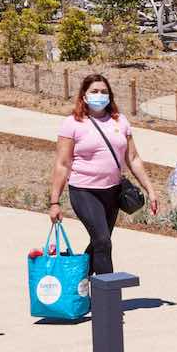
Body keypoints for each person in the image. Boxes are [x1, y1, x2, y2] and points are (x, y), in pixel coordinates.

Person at [44, 71, 151, 279]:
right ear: (84, 96)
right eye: (94, 91)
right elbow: (62, 164)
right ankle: (107, 299)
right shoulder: (72, 124)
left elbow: (134, 158)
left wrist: (150, 189)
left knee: (99, 242)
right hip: (84, 192)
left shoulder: (120, 121)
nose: (99, 95)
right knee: (103, 241)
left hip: (112, 193)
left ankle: (77, 284)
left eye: (104, 91)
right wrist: (54, 202)